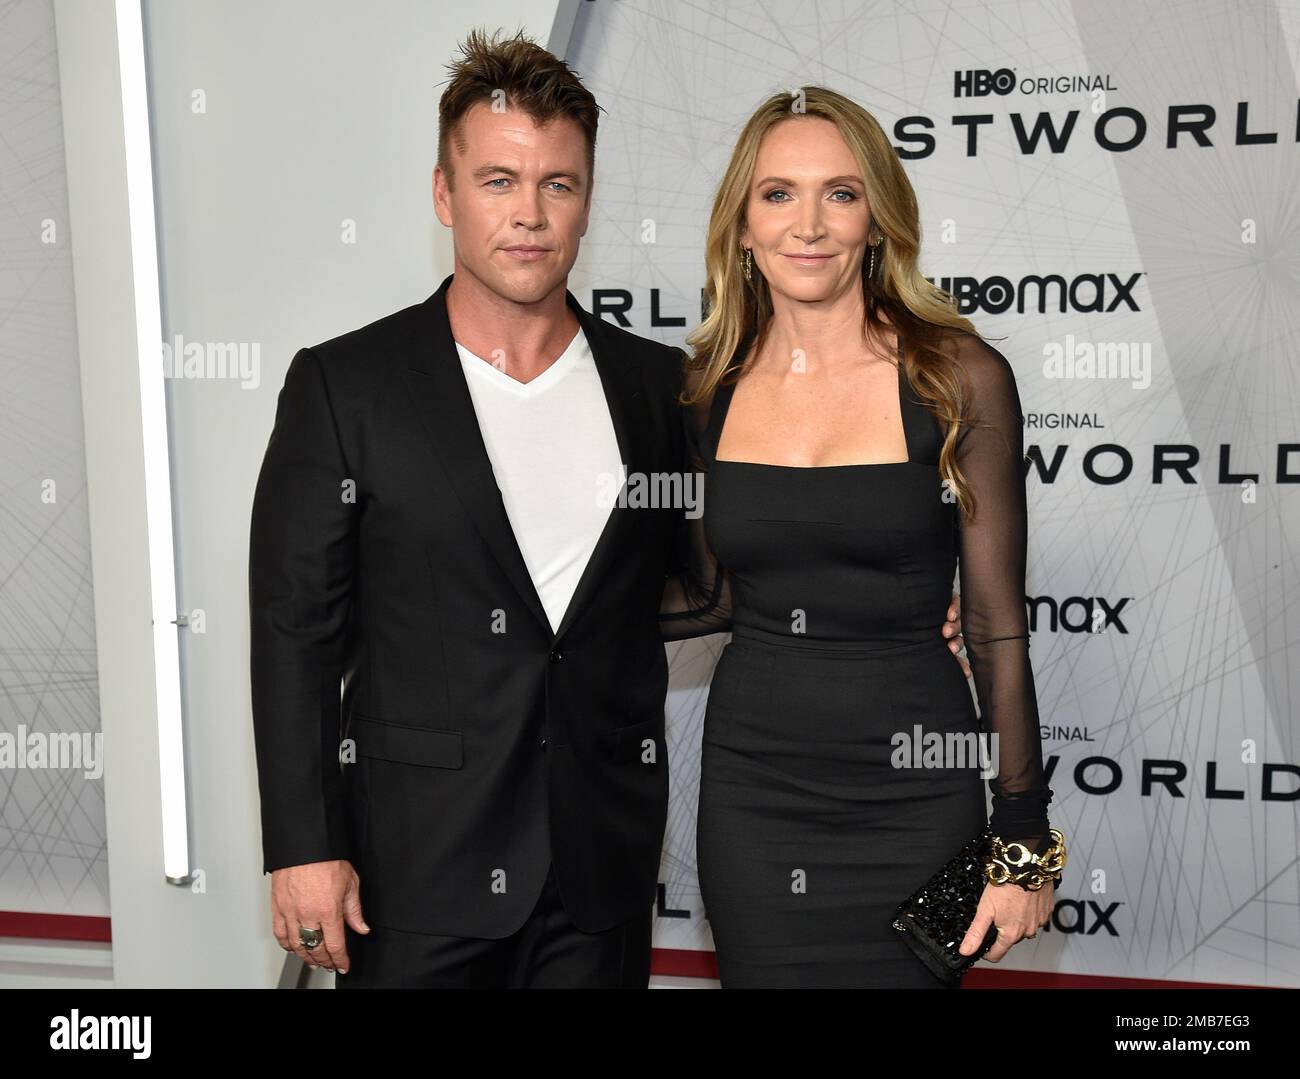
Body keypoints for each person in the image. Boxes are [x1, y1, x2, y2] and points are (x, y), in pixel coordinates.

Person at [249, 29, 966, 989]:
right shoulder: (347, 386)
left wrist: (884, 608)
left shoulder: (664, 389)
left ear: (588, 200)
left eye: (559, 184)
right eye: (498, 180)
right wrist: (302, 847)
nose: (529, 215)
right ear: (443, 194)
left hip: (599, 882)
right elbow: (296, 631)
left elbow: (721, 575)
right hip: (412, 880)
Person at [658, 86, 1062, 987]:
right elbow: (710, 595)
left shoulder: (958, 375)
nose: (809, 224)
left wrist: (1025, 837)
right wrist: (535, 613)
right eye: (779, 194)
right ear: (743, 224)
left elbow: (997, 626)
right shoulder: (705, 391)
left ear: (877, 218)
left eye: (840, 193)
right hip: (755, 800)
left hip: (917, 801)